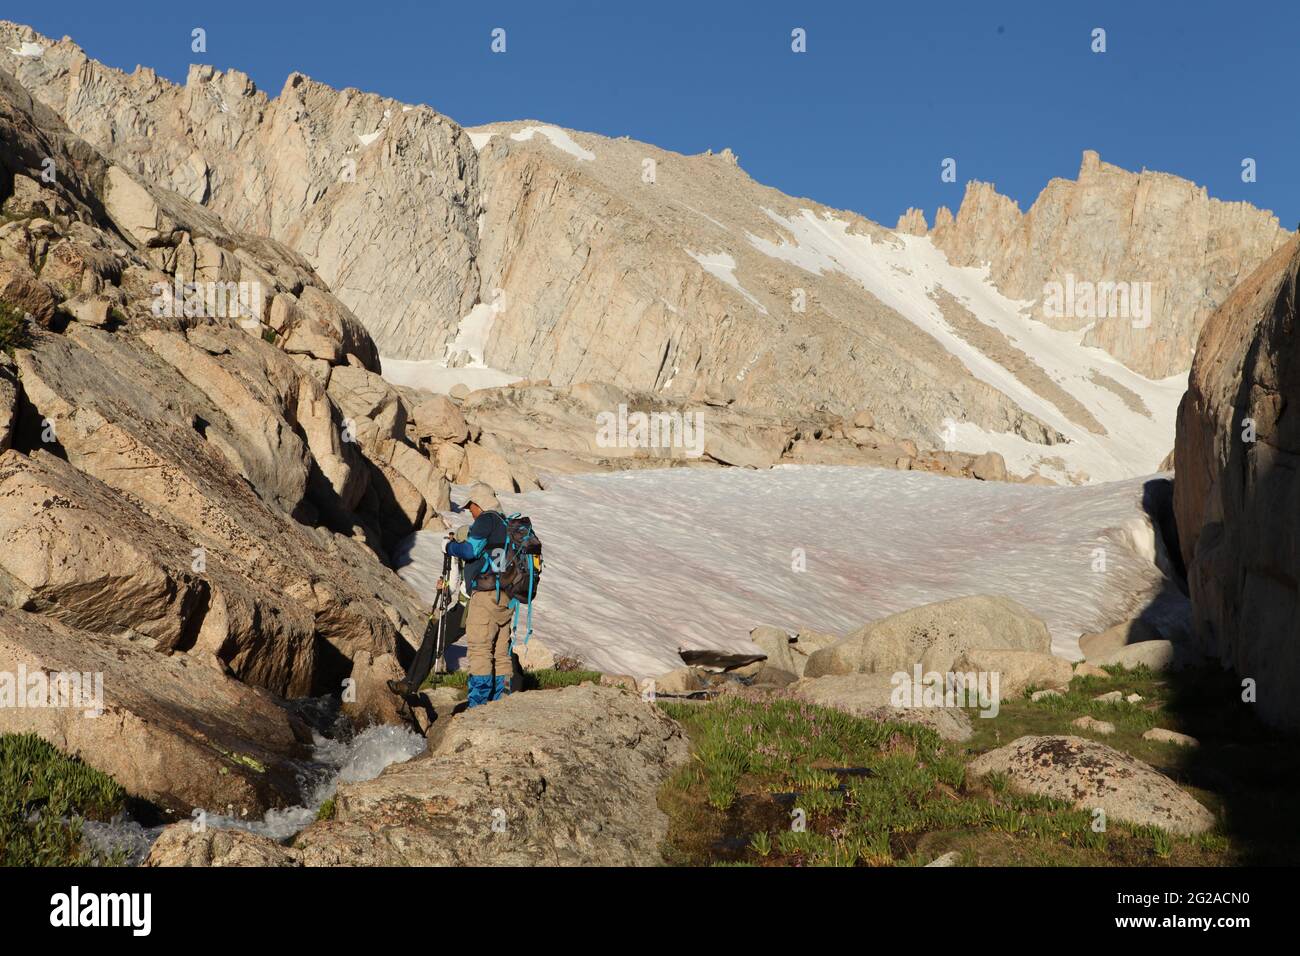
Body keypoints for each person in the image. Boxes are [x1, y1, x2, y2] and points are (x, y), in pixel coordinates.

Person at [445, 482, 516, 706]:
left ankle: (478, 705)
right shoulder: (507, 523)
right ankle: (501, 701)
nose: (470, 512)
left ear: (478, 503)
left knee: (479, 648)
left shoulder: (486, 520)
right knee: (501, 651)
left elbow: (470, 550)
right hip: (506, 596)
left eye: (470, 507)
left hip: (485, 594)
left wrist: (448, 547)